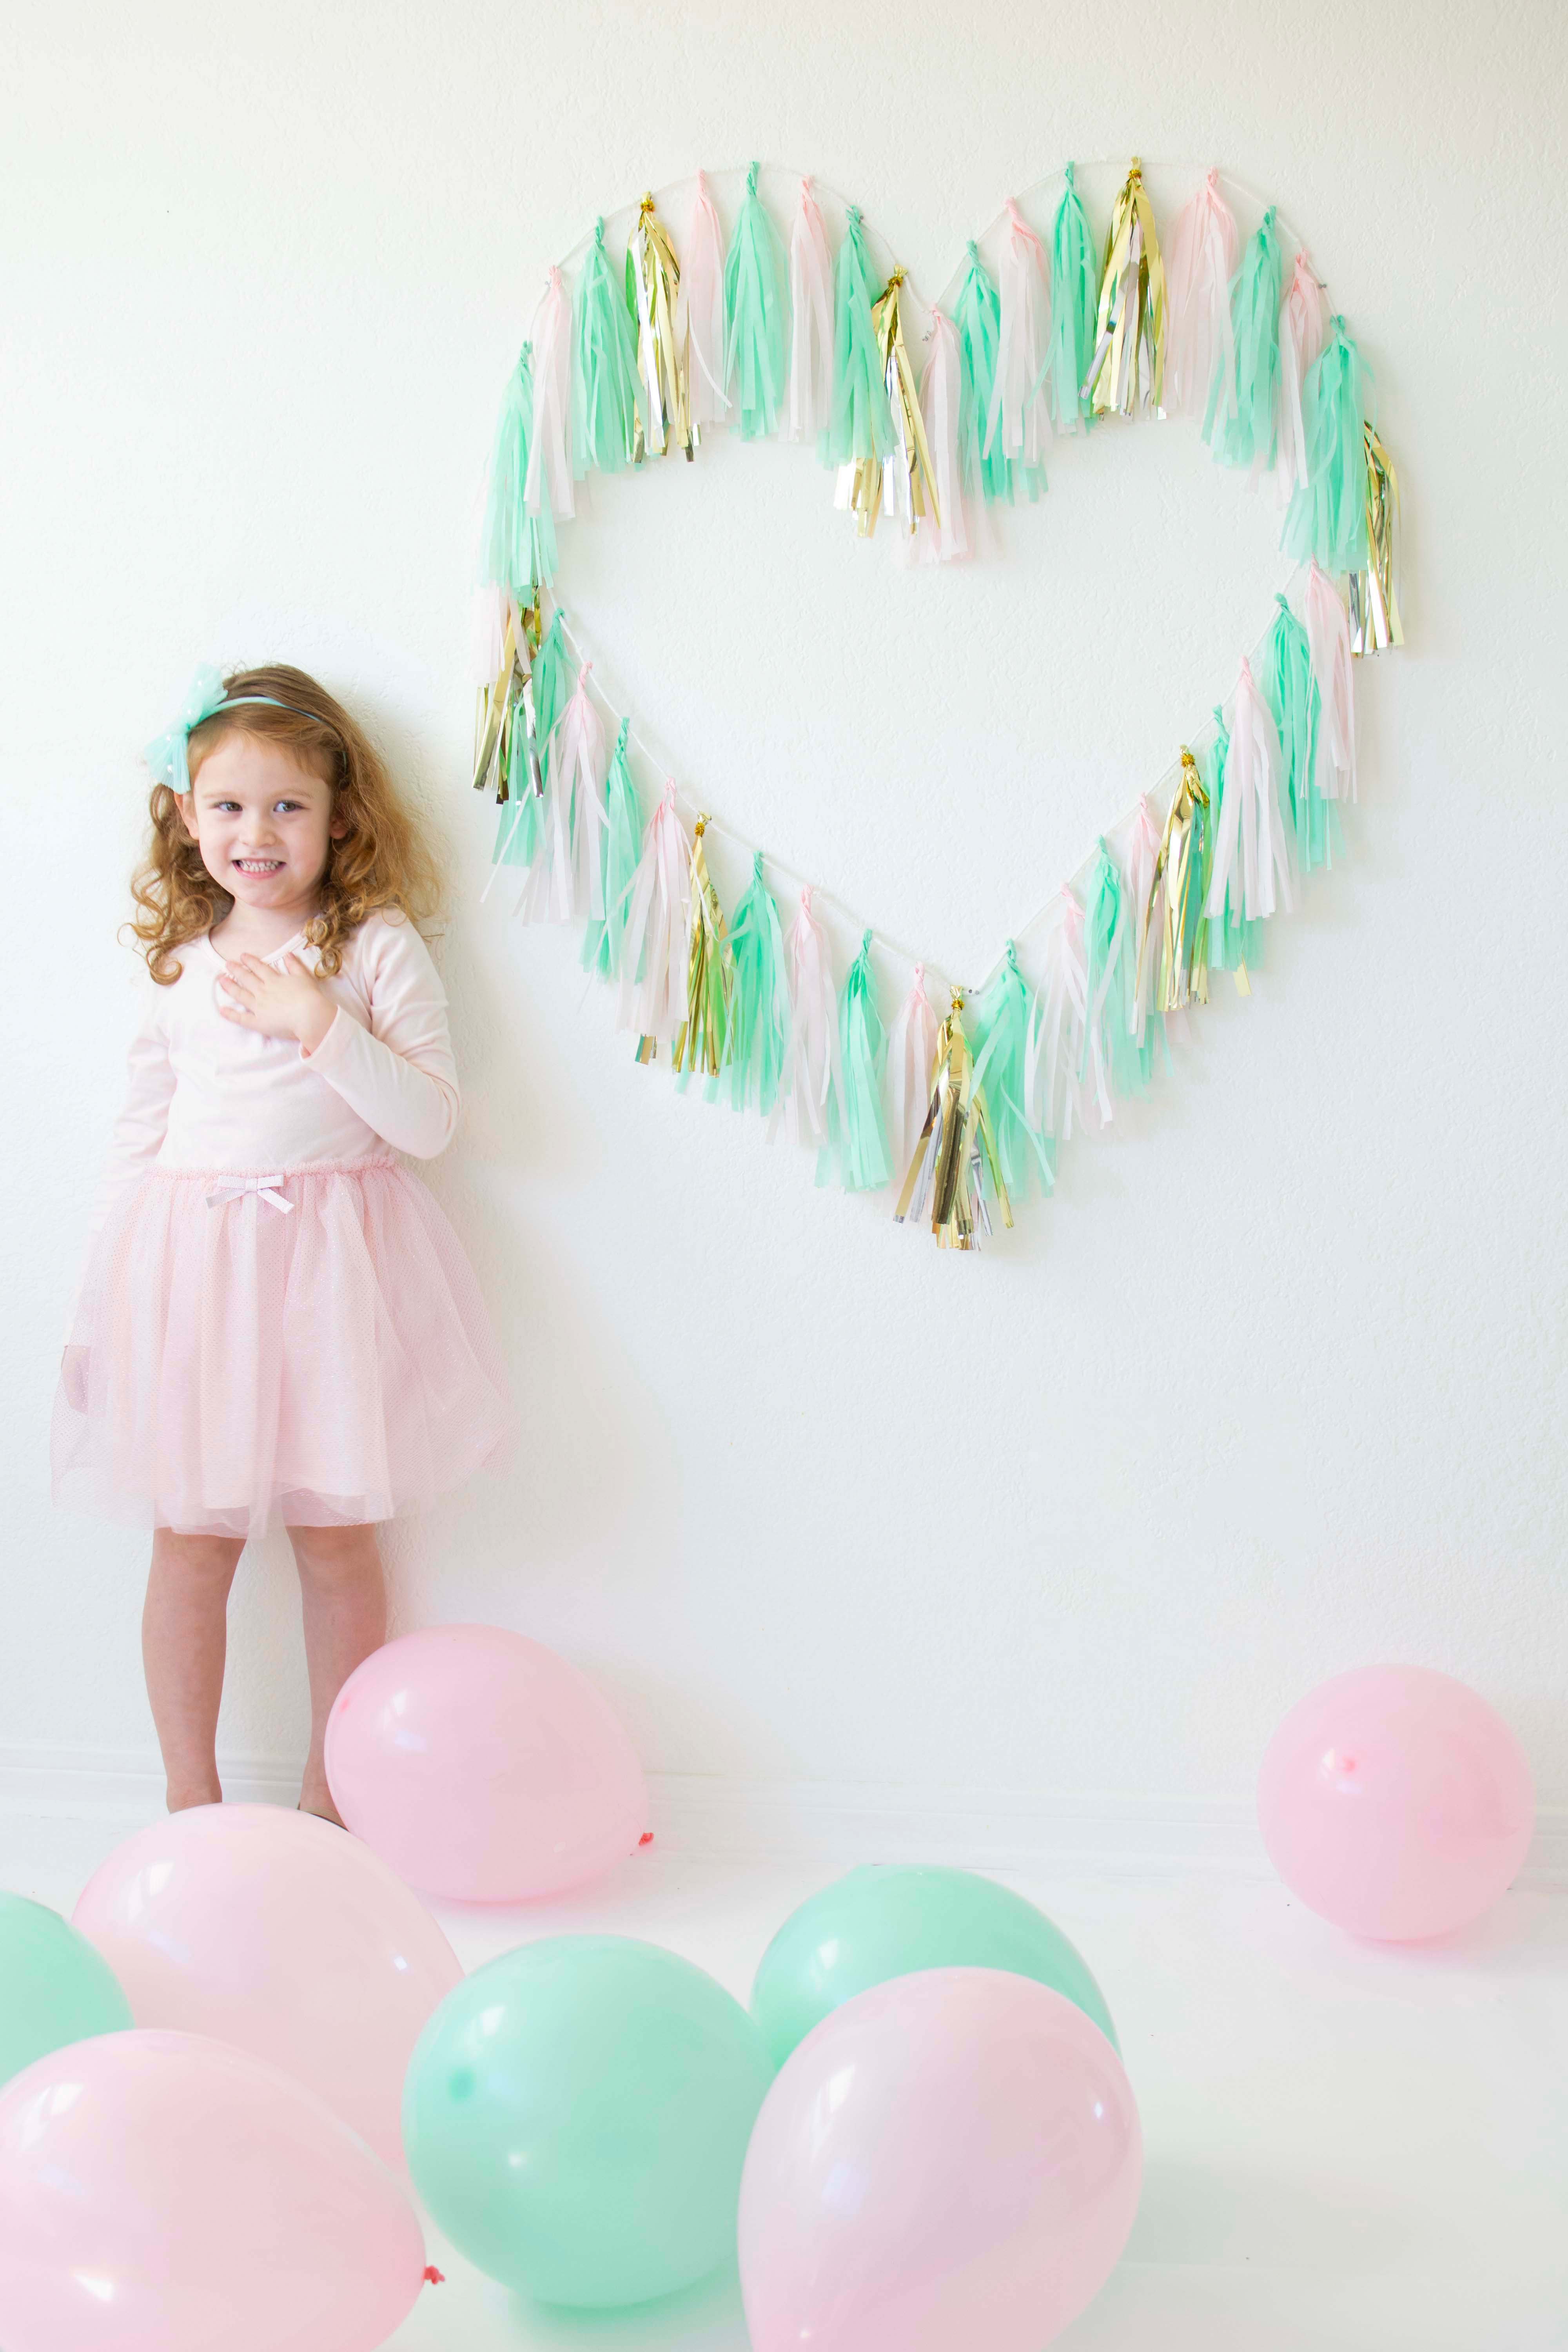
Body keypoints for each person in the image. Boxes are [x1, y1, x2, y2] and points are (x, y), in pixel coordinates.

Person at [53, 663, 512, 1821]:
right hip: (199, 1283)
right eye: (228, 806)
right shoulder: (179, 965)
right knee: (193, 1546)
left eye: (288, 806)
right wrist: (98, 1309)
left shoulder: (375, 947)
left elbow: (430, 1123)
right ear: (186, 814)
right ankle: (189, 1806)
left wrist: (320, 1023)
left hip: (332, 1280)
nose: (256, 833)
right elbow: (137, 1137)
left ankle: (331, 1798)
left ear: (339, 815)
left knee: (337, 1543)